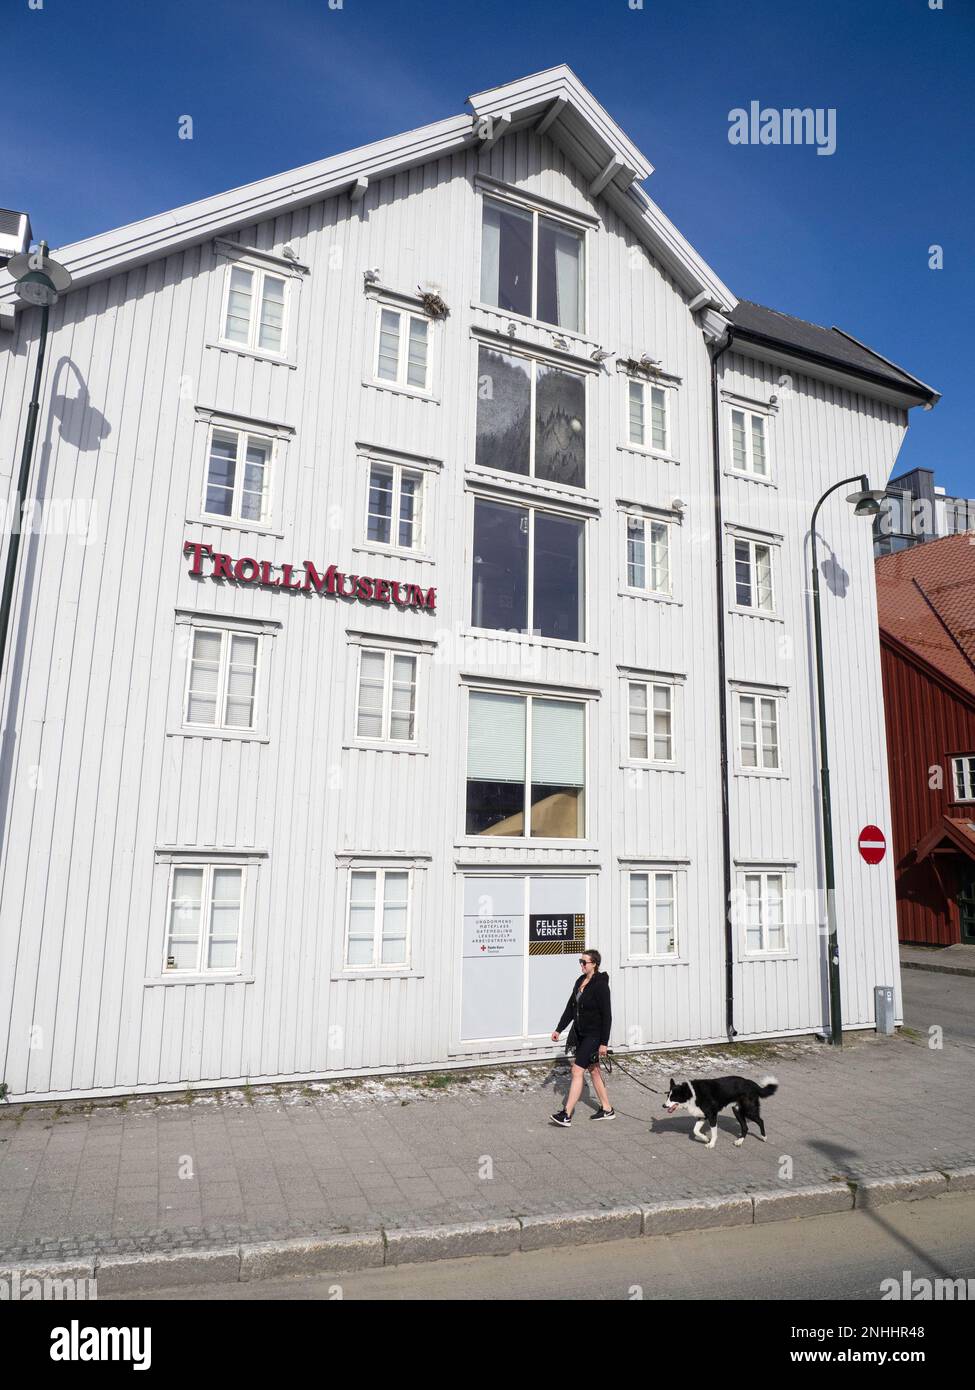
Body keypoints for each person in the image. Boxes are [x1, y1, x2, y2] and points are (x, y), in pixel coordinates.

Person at [550, 948, 614, 1125]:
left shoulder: (600, 985)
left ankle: (566, 1114)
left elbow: (607, 1016)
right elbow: (571, 1008)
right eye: (580, 961)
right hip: (580, 1033)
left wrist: (603, 1043)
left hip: (594, 1035)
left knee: (577, 1070)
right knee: (594, 1070)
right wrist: (559, 1029)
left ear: (594, 964)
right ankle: (607, 1109)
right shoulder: (580, 981)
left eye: (584, 962)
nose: (581, 965)